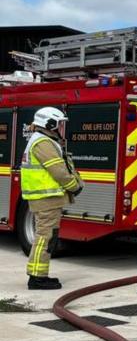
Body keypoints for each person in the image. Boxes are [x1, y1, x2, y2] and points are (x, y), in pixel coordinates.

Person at [22, 107, 83, 290]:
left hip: (48, 198)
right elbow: (58, 171)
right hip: (46, 198)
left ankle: (39, 275)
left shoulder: (45, 140)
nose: (62, 128)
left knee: (47, 236)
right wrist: (74, 186)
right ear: (49, 124)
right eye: (60, 124)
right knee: (45, 236)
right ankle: (37, 278)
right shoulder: (43, 143)